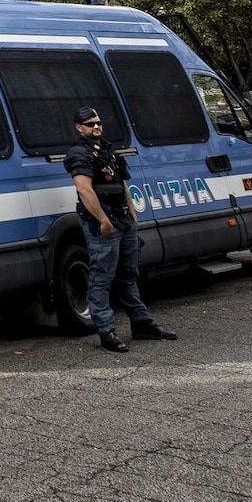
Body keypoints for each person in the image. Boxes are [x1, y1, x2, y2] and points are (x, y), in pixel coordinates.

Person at [65, 106, 179, 353]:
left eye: (98, 122)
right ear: (79, 128)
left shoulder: (108, 150)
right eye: (89, 124)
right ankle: (106, 331)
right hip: (104, 224)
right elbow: (84, 189)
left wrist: (132, 211)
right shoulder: (79, 153)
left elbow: (122, 183)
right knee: (102, 278)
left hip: (124, 220)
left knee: (128, 274)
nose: (96, 126)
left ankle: (141, 324)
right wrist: (103, 221)